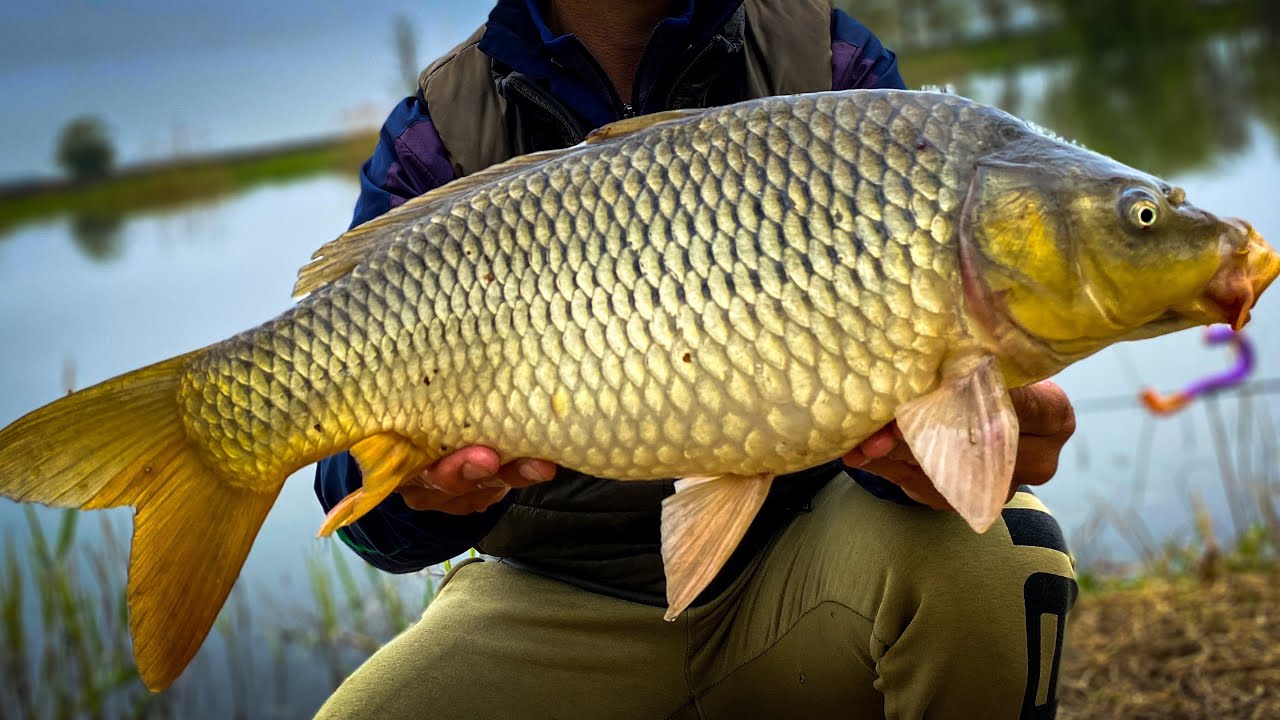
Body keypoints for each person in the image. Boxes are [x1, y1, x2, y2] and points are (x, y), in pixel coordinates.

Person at [313, 1, 1079, 718]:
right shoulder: (439, 129)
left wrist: (934, 456)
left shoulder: (820, 56)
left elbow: (904, 396)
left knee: (1003, 552)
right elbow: (354, 508)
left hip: (801, 564)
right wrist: (416, 497)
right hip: (560, 597)